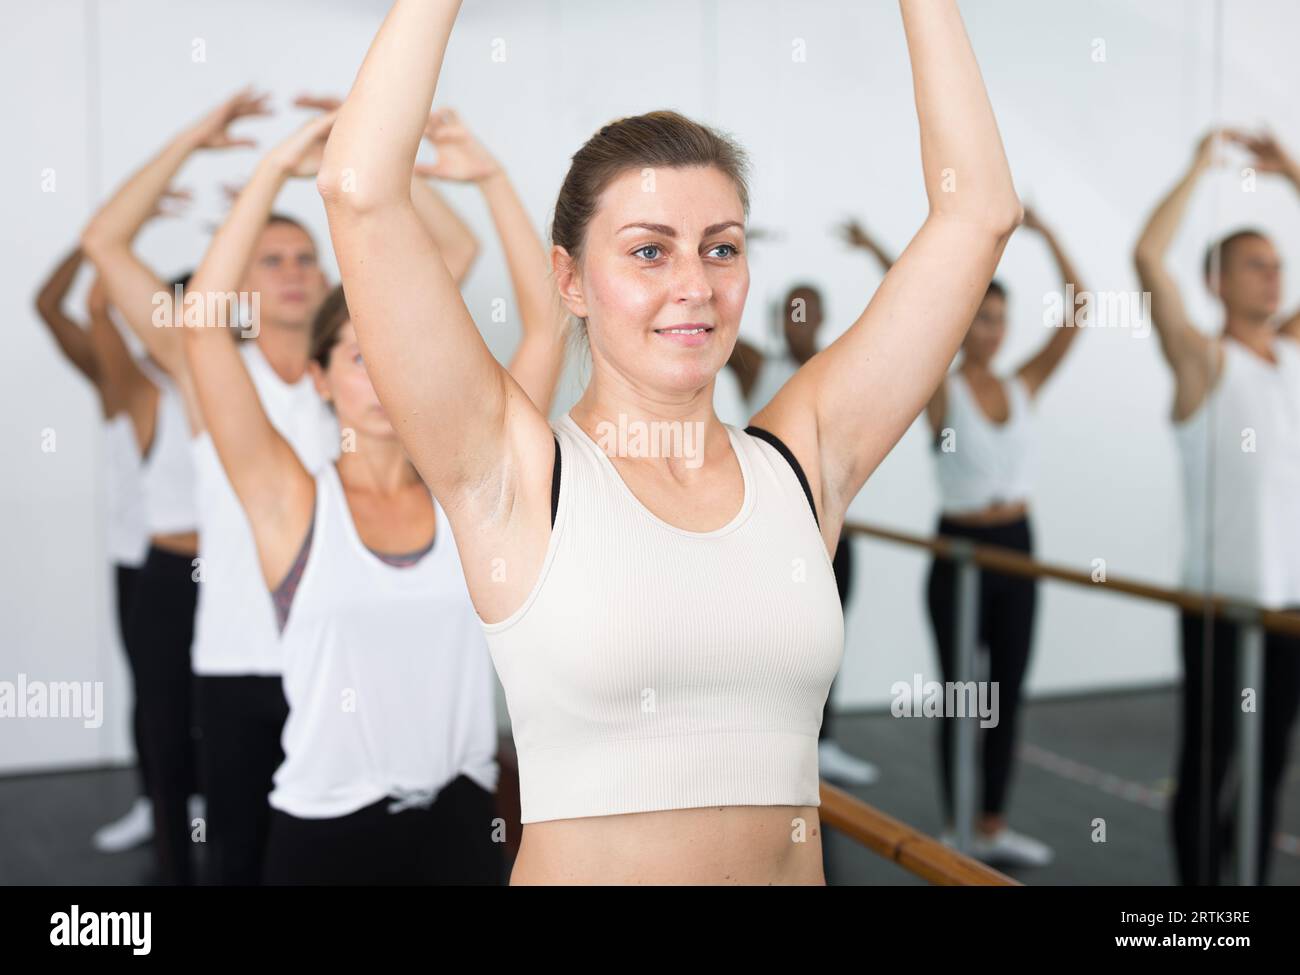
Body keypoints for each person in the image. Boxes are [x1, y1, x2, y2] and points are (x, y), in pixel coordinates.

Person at [319, 0, 1021, 884]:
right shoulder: (515, 472)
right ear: (570, 279)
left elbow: (978, 215)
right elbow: (360, 189)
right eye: (649, 253)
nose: (694, 284)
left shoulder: (800, 463)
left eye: (720, 248)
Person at [181, 101, 565, 884]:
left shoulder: (477, 488)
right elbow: (200, 327)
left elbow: (550, 326)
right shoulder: (289, 499)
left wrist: (491, 177)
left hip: (460, 819)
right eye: (358, 356)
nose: (384, 373)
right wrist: (270, 174)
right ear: (319, 378)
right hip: (324, 835)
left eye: (394, 353)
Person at [863, 205, 1083, 868]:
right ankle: (957, 826)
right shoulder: (940, 389)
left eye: (997, 318)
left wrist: (1049, 234)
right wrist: (885, 249)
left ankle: (991, 824)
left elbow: (1078, 313)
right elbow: (908, 317)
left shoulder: (1022, 383)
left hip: (1018, 543)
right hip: (958, 550)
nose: (989, 329)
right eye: (977, 316)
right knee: (964, 693)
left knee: (1007, 692)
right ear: (961, 322)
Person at [1134, 128, 1300, 886]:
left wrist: (1291, 171)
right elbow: (1147, 257)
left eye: (1277, 266)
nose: (1272, 278)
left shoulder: (1290, 352)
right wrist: (1198, 164)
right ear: (1217, 282)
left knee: (1268, 774)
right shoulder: (1205, 361)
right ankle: (1198, 920)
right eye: (1254, 266)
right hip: (1221, 608)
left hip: (1288, 610)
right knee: (1210, 767)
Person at [33, 250, 159, 858]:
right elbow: (51, 306)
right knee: (156, 689)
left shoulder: (244, 385)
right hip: (143, 562)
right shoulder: (126, 380)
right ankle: (159, 801)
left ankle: (207, 798)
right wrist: (97, 244)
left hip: (234, 567)